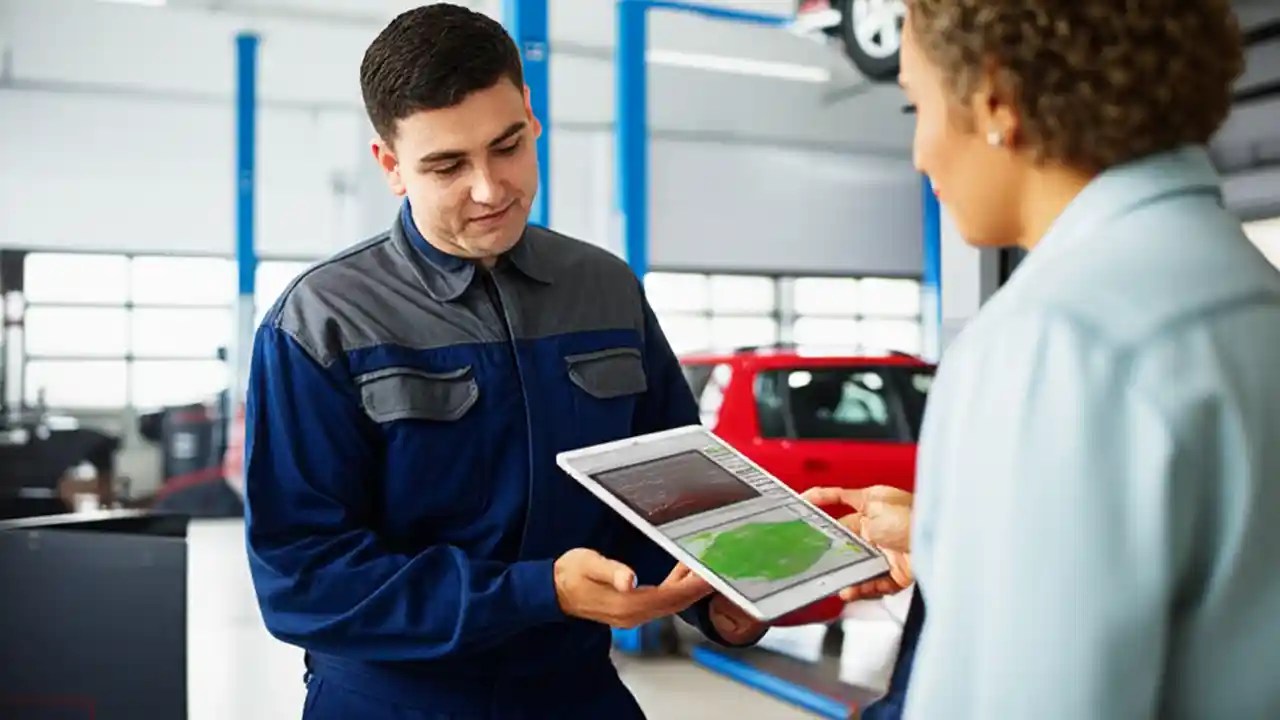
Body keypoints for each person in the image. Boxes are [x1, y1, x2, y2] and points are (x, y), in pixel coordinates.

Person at [241, 5, 768, 718]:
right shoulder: (321, 322)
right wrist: (535, 592)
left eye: (507, 145)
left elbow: (673, 491)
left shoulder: (606, 288)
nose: (490, 189)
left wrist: (720, 600)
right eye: (447, 165)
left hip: (573, 689)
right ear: (390, 166)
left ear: (532, 117)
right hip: (394, 700)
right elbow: (301, 580)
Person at [877, 1, 1279, 718]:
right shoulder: (1250, 295)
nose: (920, 152)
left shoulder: (1051, 344)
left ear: (994, 95)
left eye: (917, 104)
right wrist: (953, 545)